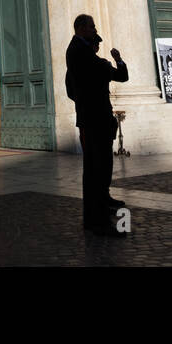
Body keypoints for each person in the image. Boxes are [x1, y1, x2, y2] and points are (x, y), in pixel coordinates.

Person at [65, 14, 128, 236]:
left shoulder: (82, 52)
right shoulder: (77, 51)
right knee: (95, 170)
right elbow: (89, 75)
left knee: (99, 169)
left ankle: (98, 214)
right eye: (92, 27)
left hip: (96, 119)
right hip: (92, 120)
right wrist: (105, 64)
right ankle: (97, 221)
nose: (95, 31)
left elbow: (119, 75)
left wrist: (113, 62)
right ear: (81, 28)